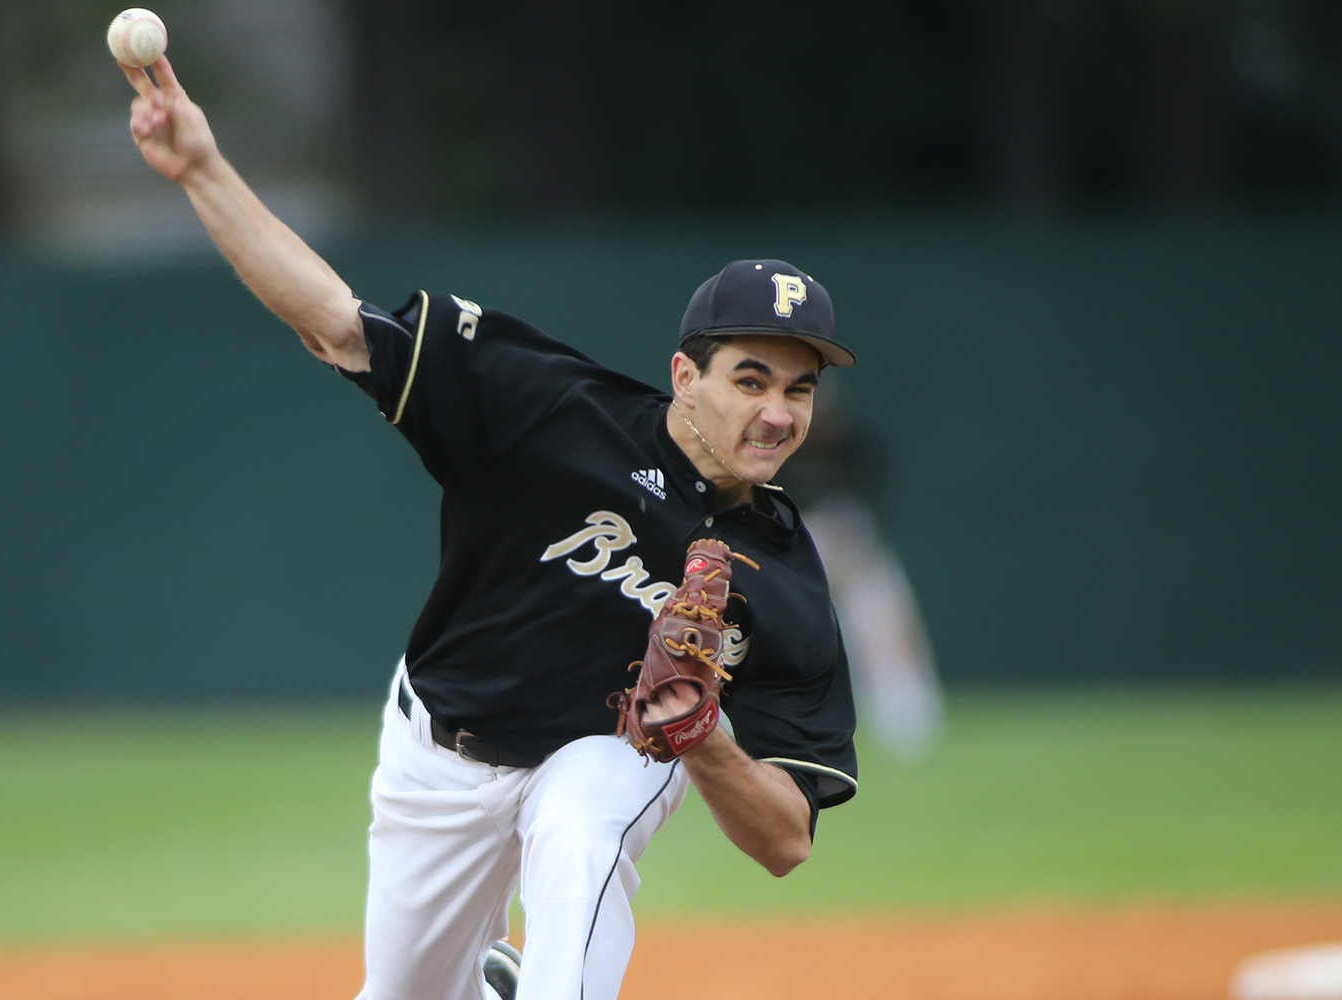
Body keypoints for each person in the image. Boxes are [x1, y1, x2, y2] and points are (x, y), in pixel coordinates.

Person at [120, 57, 857, 1000]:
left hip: (606, 755)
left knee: (583, 830)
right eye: (751, 380)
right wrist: (202, 171)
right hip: (441, 750)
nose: (777, 414)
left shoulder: (784, 577)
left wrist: (704, 735)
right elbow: (336, 326)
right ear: (686, 378)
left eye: (799, 390)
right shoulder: (551, 410)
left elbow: (788, 840)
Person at [779, 391, 945, 758]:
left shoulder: (852, 441)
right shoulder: (778, 446)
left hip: (851, 538)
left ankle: (906, 715)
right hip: (798, 541)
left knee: (884, 619)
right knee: (777, 629)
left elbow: (868, 493)